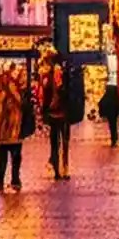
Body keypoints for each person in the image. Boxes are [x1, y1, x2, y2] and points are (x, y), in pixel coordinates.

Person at [0, 65, 27, 191]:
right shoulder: (9, 90)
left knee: (9, 152)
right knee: (10, 152)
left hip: (12, 124)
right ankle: (9, 178)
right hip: (10, 124)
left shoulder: (11, 90)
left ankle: (9, 178)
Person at [36, 51, 70, 180]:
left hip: (53, 112)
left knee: (55, 143)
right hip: (63, 112)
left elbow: (44, 94)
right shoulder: (61, 72)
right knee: (65, 142)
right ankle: (65, 168)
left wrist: (46, 108)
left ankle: (57, 169)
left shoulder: (48, 75)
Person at [99, 80, 119, 148]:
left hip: (110, 112)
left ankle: (114, 138)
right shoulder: (115, 95)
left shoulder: (107, 95)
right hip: (114, 112)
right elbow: (117, 104)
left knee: (112, 125)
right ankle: (114, 137)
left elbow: (101, 102)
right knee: (113, 125)